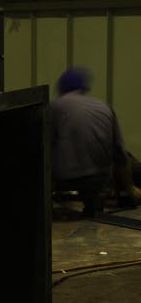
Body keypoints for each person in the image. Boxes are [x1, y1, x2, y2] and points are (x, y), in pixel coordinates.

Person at [50, 67, 141, 216]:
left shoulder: (56, 106)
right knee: (126, 157)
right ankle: (94, 200)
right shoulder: (103, 105)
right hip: (100, 180)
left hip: (65, 179)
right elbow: (119, 153)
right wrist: (130, 187)